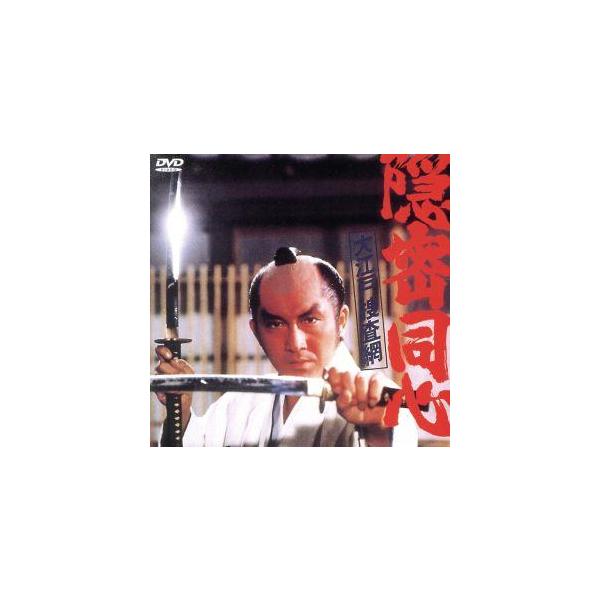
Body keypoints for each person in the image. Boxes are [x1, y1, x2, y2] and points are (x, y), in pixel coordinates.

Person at [155, 247, 418, 446]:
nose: (295, 343)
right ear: (256, 330)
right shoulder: (237, 404)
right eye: (275, 324)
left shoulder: (380, 401)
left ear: (341, 320)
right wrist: (181, 410)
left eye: (310, 320)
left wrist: (377, 432)